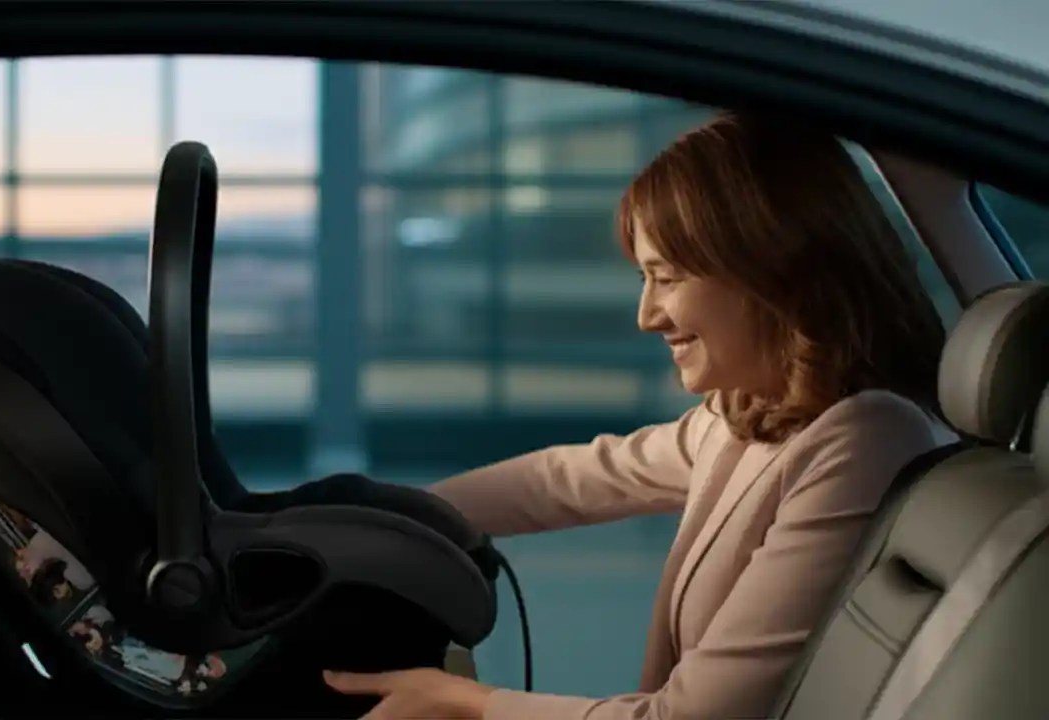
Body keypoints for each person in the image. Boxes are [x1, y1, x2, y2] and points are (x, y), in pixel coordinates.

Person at [323, 110, 955, 719]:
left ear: (767, 269)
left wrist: (466, 703)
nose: (646, 315)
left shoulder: (863, 438)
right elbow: (564, 481)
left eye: (668, 278)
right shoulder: (751, 415)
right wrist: (387, 527)